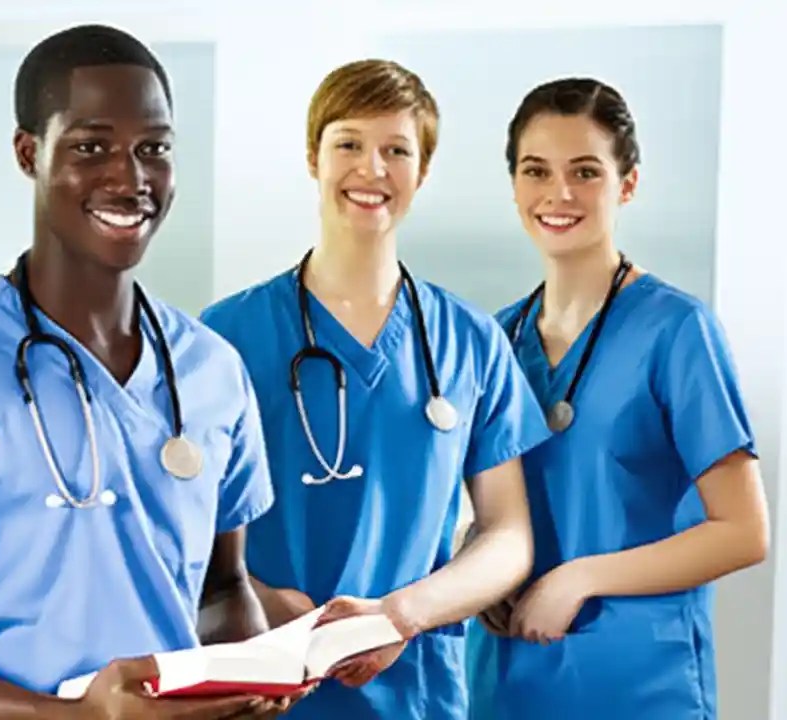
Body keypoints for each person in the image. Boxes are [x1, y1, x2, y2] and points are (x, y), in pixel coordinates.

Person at [0, 24, 299, 720]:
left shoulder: (212, 371)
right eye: (91, 146)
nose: (130, 177)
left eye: (153, 149)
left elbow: (220, 590)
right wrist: (77, 719)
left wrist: (255, 677)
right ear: (29, 153)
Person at [199, 59, 551, 719]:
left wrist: (399, 616)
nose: (373, 169)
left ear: (422, 170)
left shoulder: (472, 342)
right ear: (313, 157)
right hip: (261, 687)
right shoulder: (225, 337)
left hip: (417, 694)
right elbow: (178, 526)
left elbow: (508, 536)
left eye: (397, 150)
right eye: (349, 144)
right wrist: (255, 595)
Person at [464, 77, 770, 720]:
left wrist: (581, 576)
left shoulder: (677, 330)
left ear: (627, 183)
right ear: (514, 185)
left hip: (640, 688)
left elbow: (743, 532)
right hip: (514, 685)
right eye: (536, 170)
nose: (559, 193)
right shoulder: (497, 339)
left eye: (585, 171)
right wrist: (479, 569)